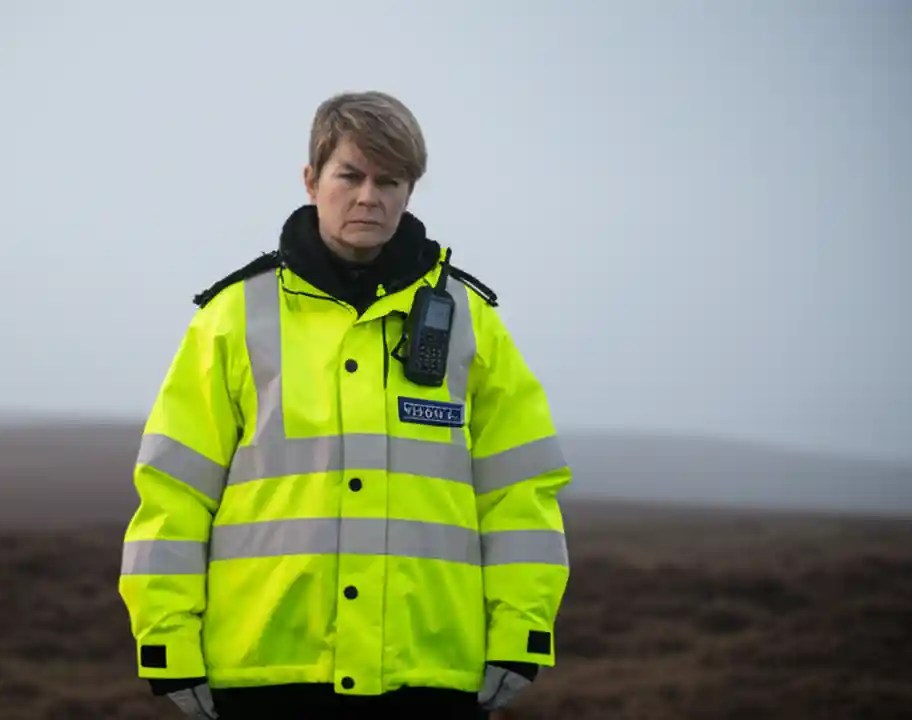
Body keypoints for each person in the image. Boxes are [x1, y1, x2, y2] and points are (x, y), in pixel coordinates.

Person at [117, 90, 572, 719]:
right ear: (311, 180)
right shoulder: (231, 319)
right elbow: (173, 494)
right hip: (266, 672)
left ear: (410, 191)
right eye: (350, 175)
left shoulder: (472, 323)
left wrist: (522, 632)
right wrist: (166, 637)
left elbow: (520, 494)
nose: (369, 196)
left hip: (430, 670)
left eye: (390, 180)